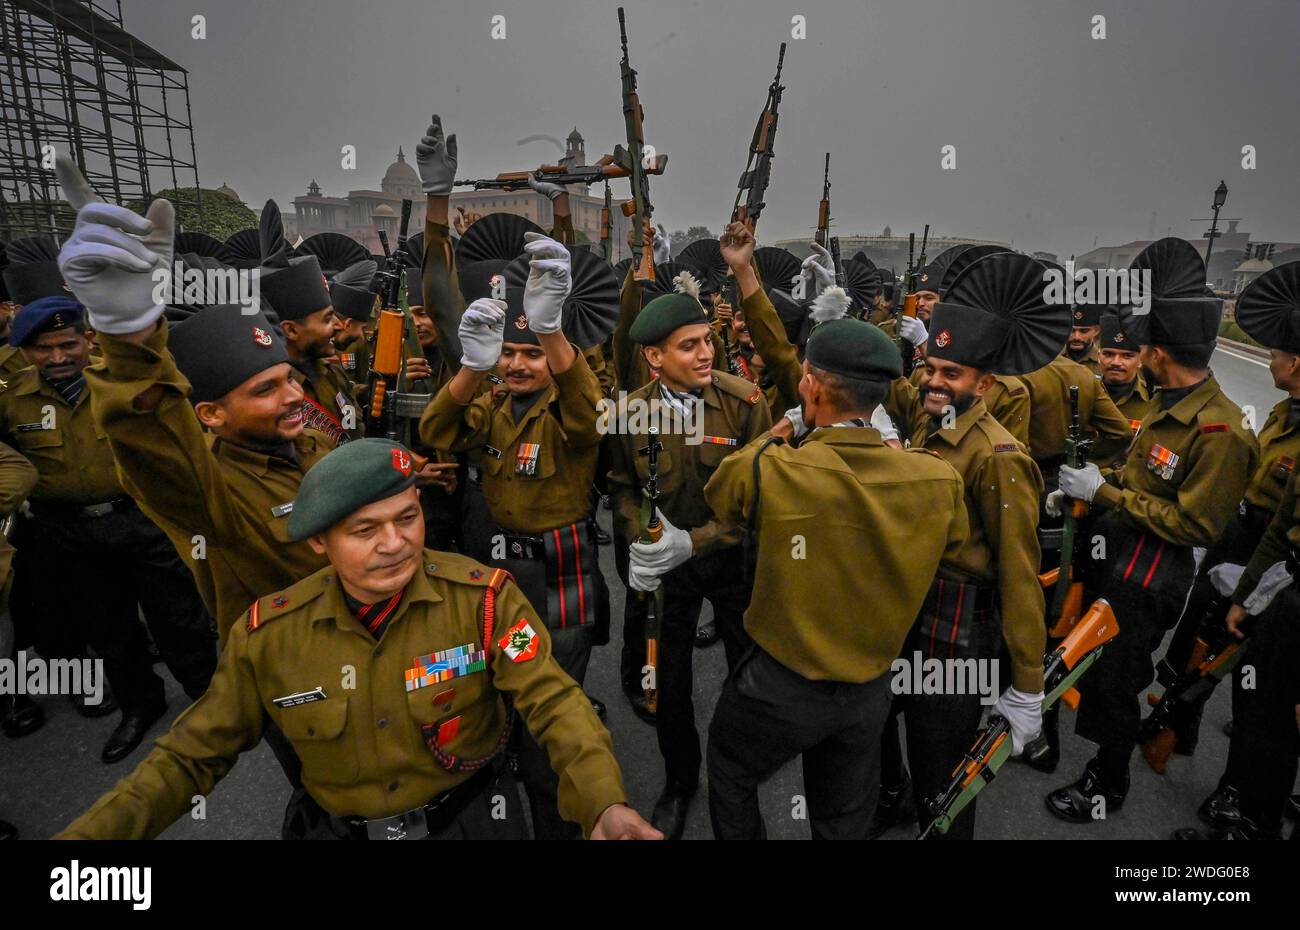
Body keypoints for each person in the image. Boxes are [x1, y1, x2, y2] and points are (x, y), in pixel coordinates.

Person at [56, 438, 660, 841]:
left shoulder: (484, 600)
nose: (394, 543)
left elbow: (554, 702)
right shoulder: (270, 634)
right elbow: (190, 756)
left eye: (407, 518)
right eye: (364, 529)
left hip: (472, 822)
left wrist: (606, 803)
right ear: (319, 541)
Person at [702, 317, 970, 839]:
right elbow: (951, 543)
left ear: (812, 385)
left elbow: (723, 489)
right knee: (843, 817)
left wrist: (785, 429)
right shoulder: (938, 478)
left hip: (780, 684)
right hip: (869, 688)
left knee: (732, 772)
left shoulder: (780, 467)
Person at [1044, 238, 1258, 823]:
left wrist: (1105, 492)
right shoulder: (1170, 405)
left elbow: (1197, 522)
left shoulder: (1219, 432)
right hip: (1120, 555)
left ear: (1159, 353)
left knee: (1118, 679)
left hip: (1150, 574)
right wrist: (1093, 479)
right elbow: (1141, 474)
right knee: (1093, 664)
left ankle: (1105, 786)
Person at [420, 234, 611, 839]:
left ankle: (559, 823)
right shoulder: (495, 405)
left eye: (532, 354)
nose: (518, 365)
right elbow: (437, 429)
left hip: (560, 577)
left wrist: (552, 330)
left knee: (548, 727)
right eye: (509, 353)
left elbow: (587, 415)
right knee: (498, 701)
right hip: (501, 577)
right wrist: (471, 370)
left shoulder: (568, 408)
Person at [880, 251, 1059, 839]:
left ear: (984, 383)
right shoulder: (932, 426)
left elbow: (1019, 574)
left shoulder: (998, 456)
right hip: (915, 610)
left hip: (958, 631)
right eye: (930, 368)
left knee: (947, 779)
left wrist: (1028, 685)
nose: (933, 382)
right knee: (903, 738)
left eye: (950, 374)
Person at [0, 297, 217, 762]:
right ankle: (141, 706)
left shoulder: (121, 383)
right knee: (110, 630)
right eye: (43, 349)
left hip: (142, 519)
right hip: (68, 535)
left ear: (88, 340)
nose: (57, 358)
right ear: (25, 351)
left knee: (180, 620)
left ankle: (212, 700)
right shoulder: (10, 396)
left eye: (67, 345)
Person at [609, 263, 772, 838]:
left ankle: (739, 779)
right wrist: (641, 537)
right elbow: (623, 486)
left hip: (733, 566)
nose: (706, 353)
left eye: (707, 340)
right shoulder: (631, 411)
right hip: (667, 575)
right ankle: (680, 782)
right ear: (654, 358)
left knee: (745, 679)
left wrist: (694, 542)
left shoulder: (745, 403)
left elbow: (760, 502)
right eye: (689, 346)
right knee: (669, 685)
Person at [1166, 260, 1300, 832]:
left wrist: (1251, 590)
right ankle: (1199, 738)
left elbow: (1284, 525)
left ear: (1295, 362)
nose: (1268, 358)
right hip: (1247, 545)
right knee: (1210, 653)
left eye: (1275, 353)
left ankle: (1241, 802)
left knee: (1260, 703)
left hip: (1275, 567)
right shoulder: (1283, 411)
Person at [257, 200, 359, 446]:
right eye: (327, 318)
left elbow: (354, 427)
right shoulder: (269, 399)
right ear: (291, 330)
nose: (338, 325)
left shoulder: (331, 373)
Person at [1097, 309, 1154, 437]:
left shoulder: (1153, 400)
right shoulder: (1083, 394)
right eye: (1108, 354)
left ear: (1140, 360)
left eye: (1127, 356)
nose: (1116, 362)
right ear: (1098, 356)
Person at [1064, 302, 1103, 374]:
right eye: (1071, 331)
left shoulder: (1104, 362)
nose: (1076, 337)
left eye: (1084, 331)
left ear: (1096, 331)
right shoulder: (1051, 358)